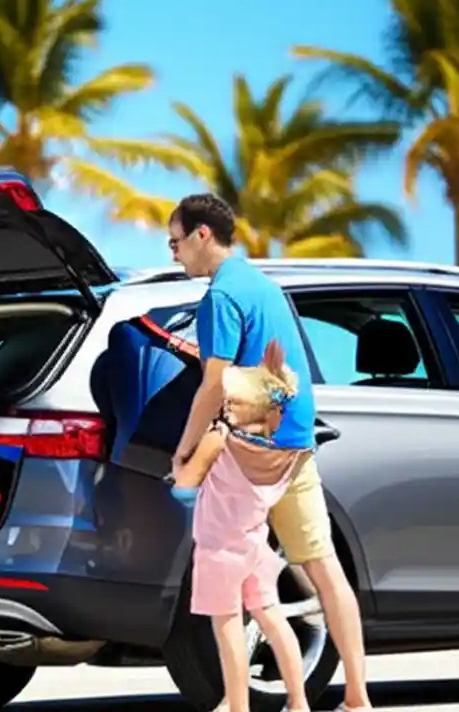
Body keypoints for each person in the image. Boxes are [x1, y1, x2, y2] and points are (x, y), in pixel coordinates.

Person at [167, 193, 373, 712]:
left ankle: (236, 702)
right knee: (324, 569)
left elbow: (214, 386)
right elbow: (265, 368)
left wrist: (187, 448)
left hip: (250, 454)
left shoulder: (220, 297)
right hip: (298, 443)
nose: (174, 254)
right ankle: (356, 697)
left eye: (176, 242)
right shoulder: (264, 286)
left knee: (235, 588)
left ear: (202, 235)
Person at [170, 339, 313, 712]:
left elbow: (185, 482)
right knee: (272, 618)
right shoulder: (278, 450)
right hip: (255, 545)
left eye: (230, 401)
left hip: (220, 550)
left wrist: (180, 463)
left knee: (228, 628)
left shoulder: (219, 441)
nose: (225, 406)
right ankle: (298, 702)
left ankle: (238, 706)